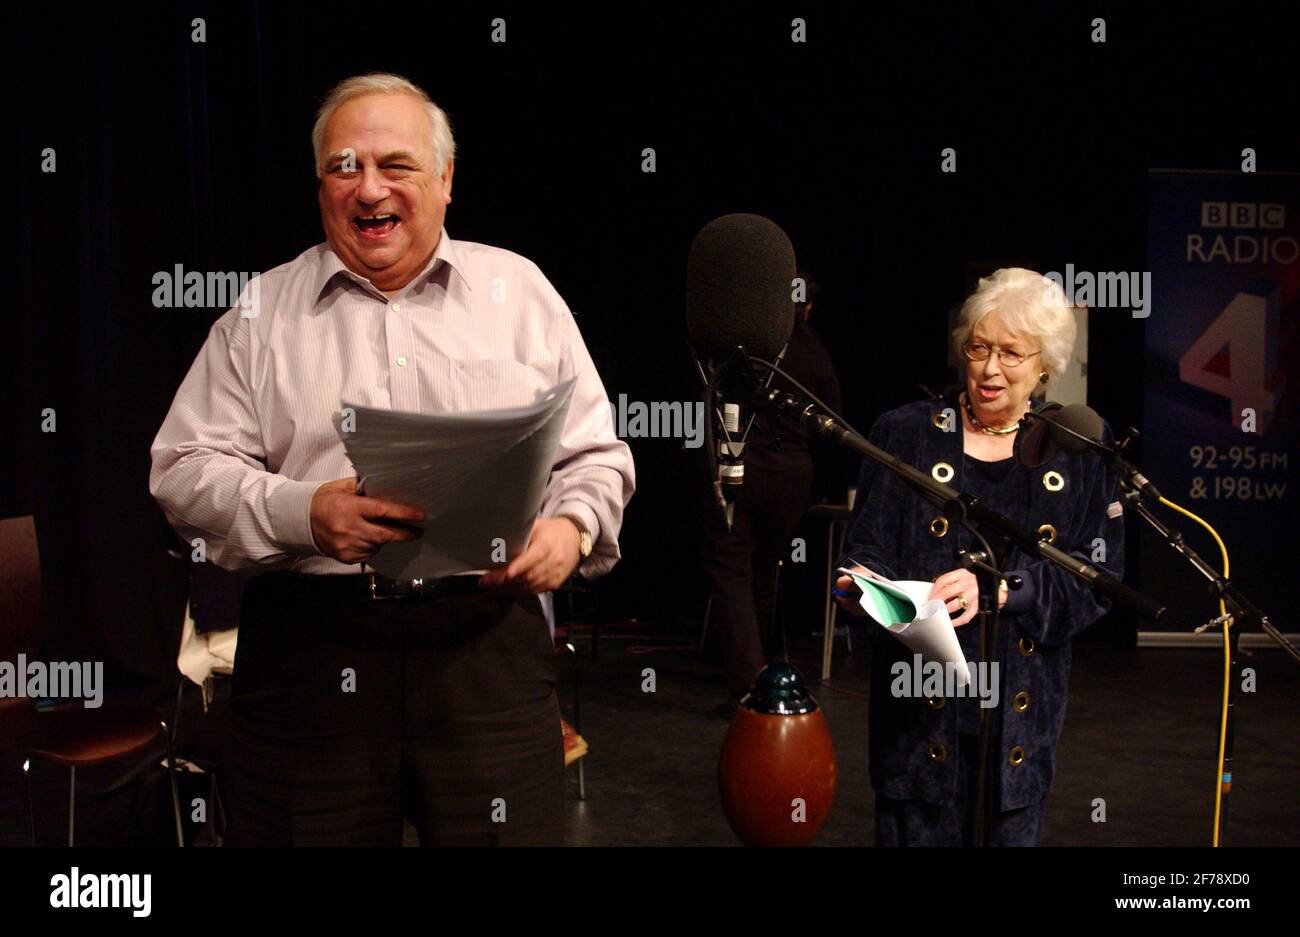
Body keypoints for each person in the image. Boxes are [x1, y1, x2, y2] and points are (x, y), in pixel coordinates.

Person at [150, 73, 634, 845]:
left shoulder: (522, 292)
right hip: (311, 657)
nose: (367, 186)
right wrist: (304, 513)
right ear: (320, 185)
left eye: (395, 164)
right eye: (344, 165)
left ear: (445, 180)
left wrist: (571, 528)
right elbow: (181, 467)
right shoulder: (260, 313)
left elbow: (597, 455)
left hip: (487, 650)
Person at [834, 268, 1124, 846]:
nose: (990, 369)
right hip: (918, 722)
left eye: (1012, 353)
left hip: (1018, 728)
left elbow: (1098, 580)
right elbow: (861, 557)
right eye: (979, 347)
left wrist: (1002, 590)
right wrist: (864, 593)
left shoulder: (1079, 450)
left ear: (1045, 365)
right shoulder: (904, 434)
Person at [697, 268, 842, 712]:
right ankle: (755, 673)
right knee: (761, 572)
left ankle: (748, 682)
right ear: (808, 308)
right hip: (791, 478)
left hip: (743, 471)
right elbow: (832, 417)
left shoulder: (745, 349)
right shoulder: (816, 354)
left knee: (732, 570)